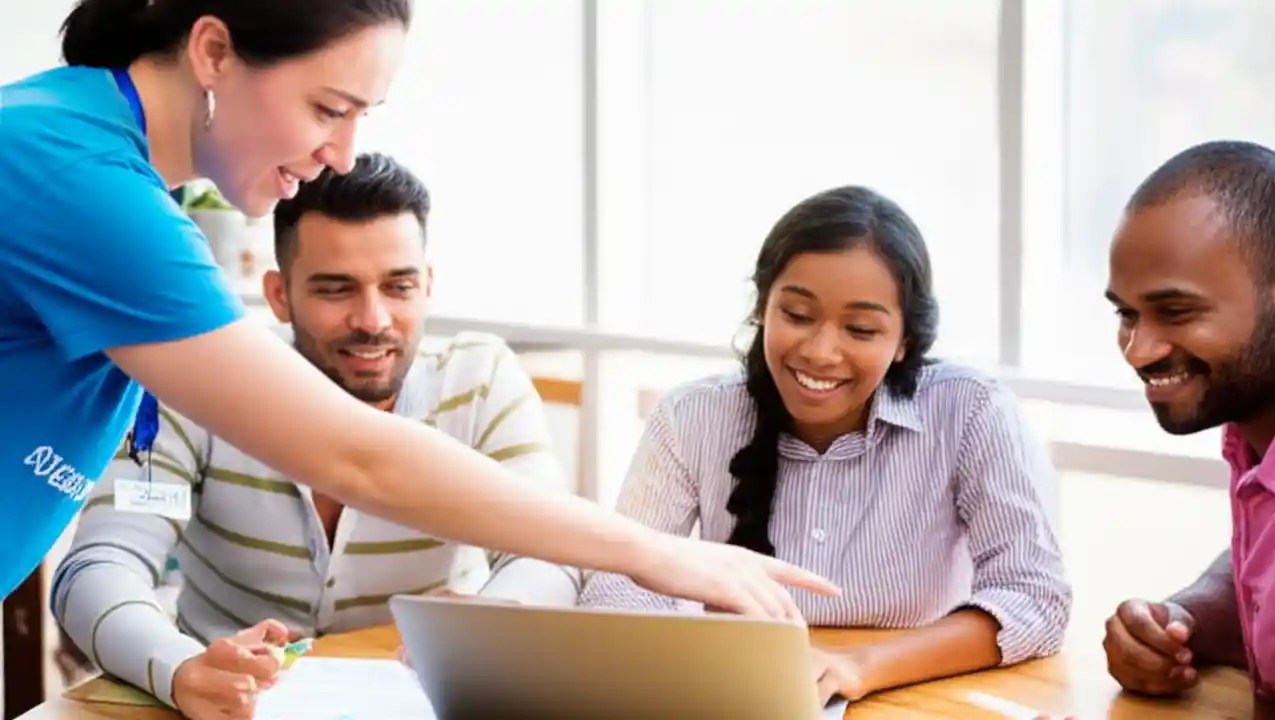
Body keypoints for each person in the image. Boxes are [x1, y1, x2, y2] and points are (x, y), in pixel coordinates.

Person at [0, 0, 836, 618]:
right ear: (214, 51)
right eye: (329, 109)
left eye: (361, 116)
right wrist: (656, 554)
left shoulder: (80, 145)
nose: (343, 154)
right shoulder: (80, 179)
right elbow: (355, 455)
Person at [51, 153, 583, 718]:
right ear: (280, 295)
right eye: (336, 290)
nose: (373, 320)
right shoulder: (200, 388)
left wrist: (493, 618)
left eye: (399, 287)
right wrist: (181, 667)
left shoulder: (478, 381)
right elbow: (100, 567)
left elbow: (553, 555)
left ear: (427, 285)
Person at [577, 186, 1071, 707]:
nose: (820, 352)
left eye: (860, 329)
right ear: (762, 308)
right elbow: (616, 590)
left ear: (904, 341)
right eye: (796, 315)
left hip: (920, 697)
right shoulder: (691, 416)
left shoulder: (971, 411)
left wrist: (861, 667)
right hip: (740, 698)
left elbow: (1034, 596)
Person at [1101, 140, 1275, 703]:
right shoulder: (1251, 437)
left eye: (1176, 312)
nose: (1137, 350)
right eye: (1126, 313)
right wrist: (1180, 623)